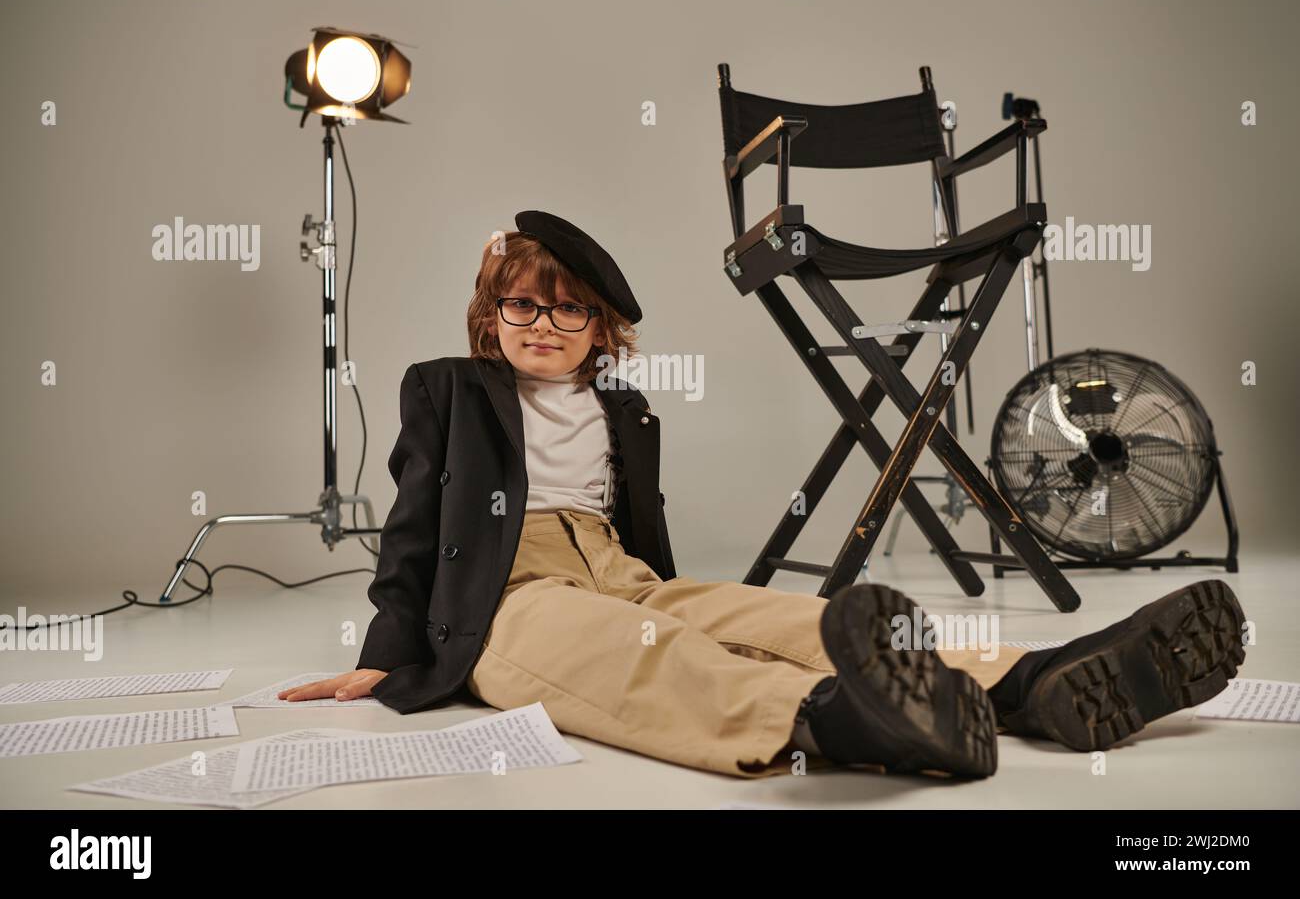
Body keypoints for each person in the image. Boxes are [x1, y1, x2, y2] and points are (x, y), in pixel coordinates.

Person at [281, 210, 1248, 779]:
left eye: (568, 307)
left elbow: (633, 536)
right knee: (622, 654)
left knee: (779, 611)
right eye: (521, 303)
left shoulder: (621, 404)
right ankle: (839, 717)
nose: (543, 321)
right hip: (508, 594)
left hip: (617, 570)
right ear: (491, 316)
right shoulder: (447, 389)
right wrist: (388, 651)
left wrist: (657, 592)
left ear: (598, 331)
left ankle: (1029, 680)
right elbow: (413, 527)